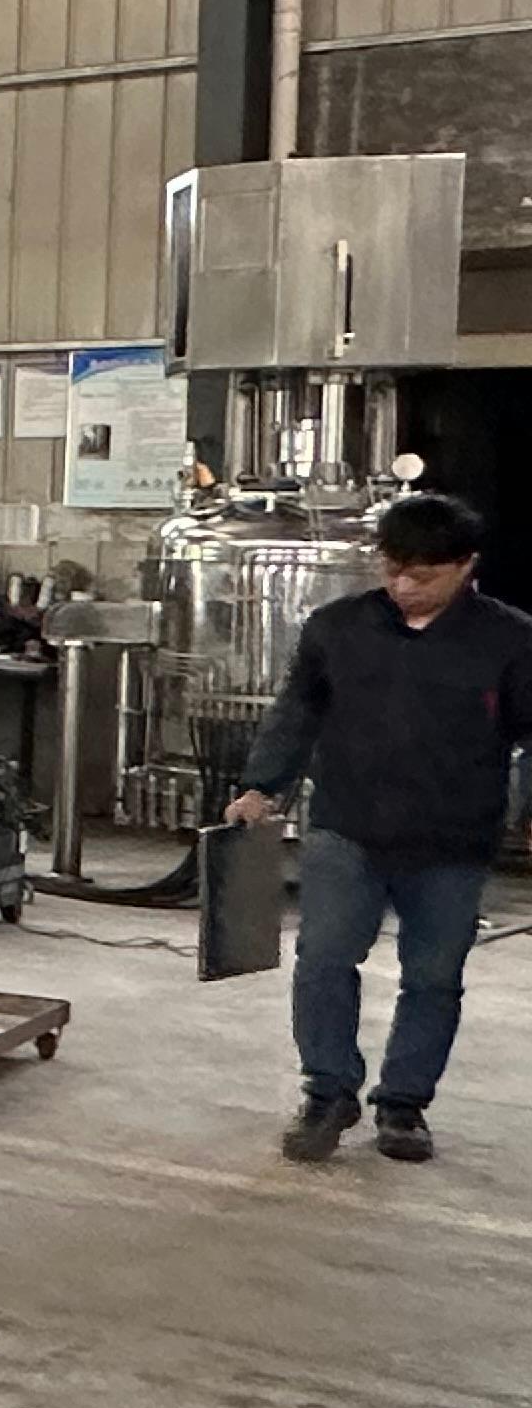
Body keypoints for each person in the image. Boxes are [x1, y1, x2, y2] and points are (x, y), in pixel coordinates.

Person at [226, 489, 532, 1161]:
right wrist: (261, 785)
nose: (403, 587)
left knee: (433, 976)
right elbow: (297, 710)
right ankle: (327, 1091)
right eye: (392, 570)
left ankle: (403, 1105)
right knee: (323, 960)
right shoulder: (338, 628)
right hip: (348, 826)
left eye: (422, 575)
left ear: (465, 566)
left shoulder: (509, 639)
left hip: (453, 839)